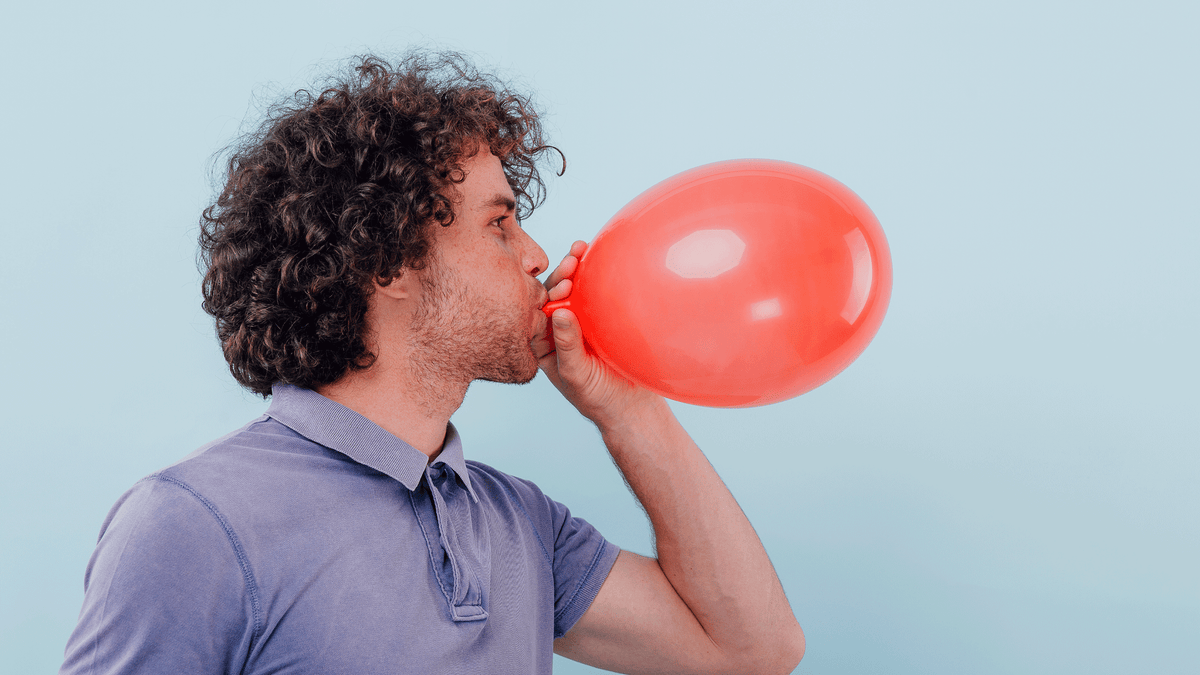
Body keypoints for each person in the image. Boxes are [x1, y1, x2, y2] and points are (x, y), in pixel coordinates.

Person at [60, 52, 805, 675]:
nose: (538, 256)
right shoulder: (191, 523)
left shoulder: (519, 522)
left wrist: (629, 409)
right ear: (387, 262)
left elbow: (752, 652)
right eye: (500, 224)